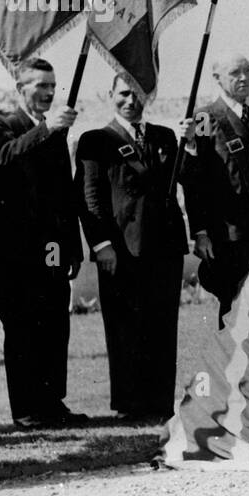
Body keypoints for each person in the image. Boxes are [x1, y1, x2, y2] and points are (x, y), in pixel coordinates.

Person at [76, 76, 195, 421]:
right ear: (110, 95)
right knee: (125, 327)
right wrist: (101, 245)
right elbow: (91, 197)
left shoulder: (164, 136)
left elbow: (183, 179)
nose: (131, 100)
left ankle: (159, 402)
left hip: (164, 246)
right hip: (121, 249)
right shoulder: (96, 140)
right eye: (124, 94)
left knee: (161, 325)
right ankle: (129, 404)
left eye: (137, 94)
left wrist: (188, 148)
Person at [0, 57, 85, 428]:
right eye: (40, 86)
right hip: (16, 248)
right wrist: (47, 130)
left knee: (55, 322)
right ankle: (25, 407)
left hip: (53, 246)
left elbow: (64, 195)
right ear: (20, 89)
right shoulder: (0, 125)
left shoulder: (53, 132)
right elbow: (5, 158)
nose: (47, 93)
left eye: (51, 86)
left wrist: (73, 246)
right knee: (23, 324)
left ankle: (51, 402)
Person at [182, 54, 249, 326]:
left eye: (246, 71)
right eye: (235, 73)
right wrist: (200, 232)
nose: (243, 78)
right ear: (218, 79)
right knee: (234, 308)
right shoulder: (205, 117)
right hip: (230, 234)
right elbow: (194, 180)